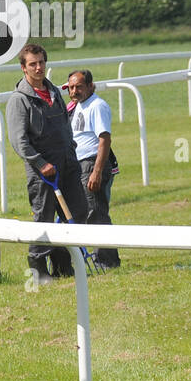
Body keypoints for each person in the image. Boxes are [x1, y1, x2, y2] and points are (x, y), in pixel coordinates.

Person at [5, 43, 89, 282]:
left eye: (41, 62)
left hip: (68, 163)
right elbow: (19, 141)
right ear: (24, 68)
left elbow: (66, 127)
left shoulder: (54, 92)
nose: (39, 67)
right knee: (44, 216)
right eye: (33, 64)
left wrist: (71, 153)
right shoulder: (19, 100)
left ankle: (62, 262)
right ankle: (38, 268)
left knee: (78, 210)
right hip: (42, 170)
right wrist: (41, 163)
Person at [67, 70, 121, 268]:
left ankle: (107, 260)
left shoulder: (97, 106)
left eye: (79, 86)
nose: (74, 91)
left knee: (96, 212)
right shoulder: (78, 106)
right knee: (87, 211)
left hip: (92, 164)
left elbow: (104, 139)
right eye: (71, 87)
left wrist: (96, 172)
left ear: (90, 86)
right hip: (79, 165)